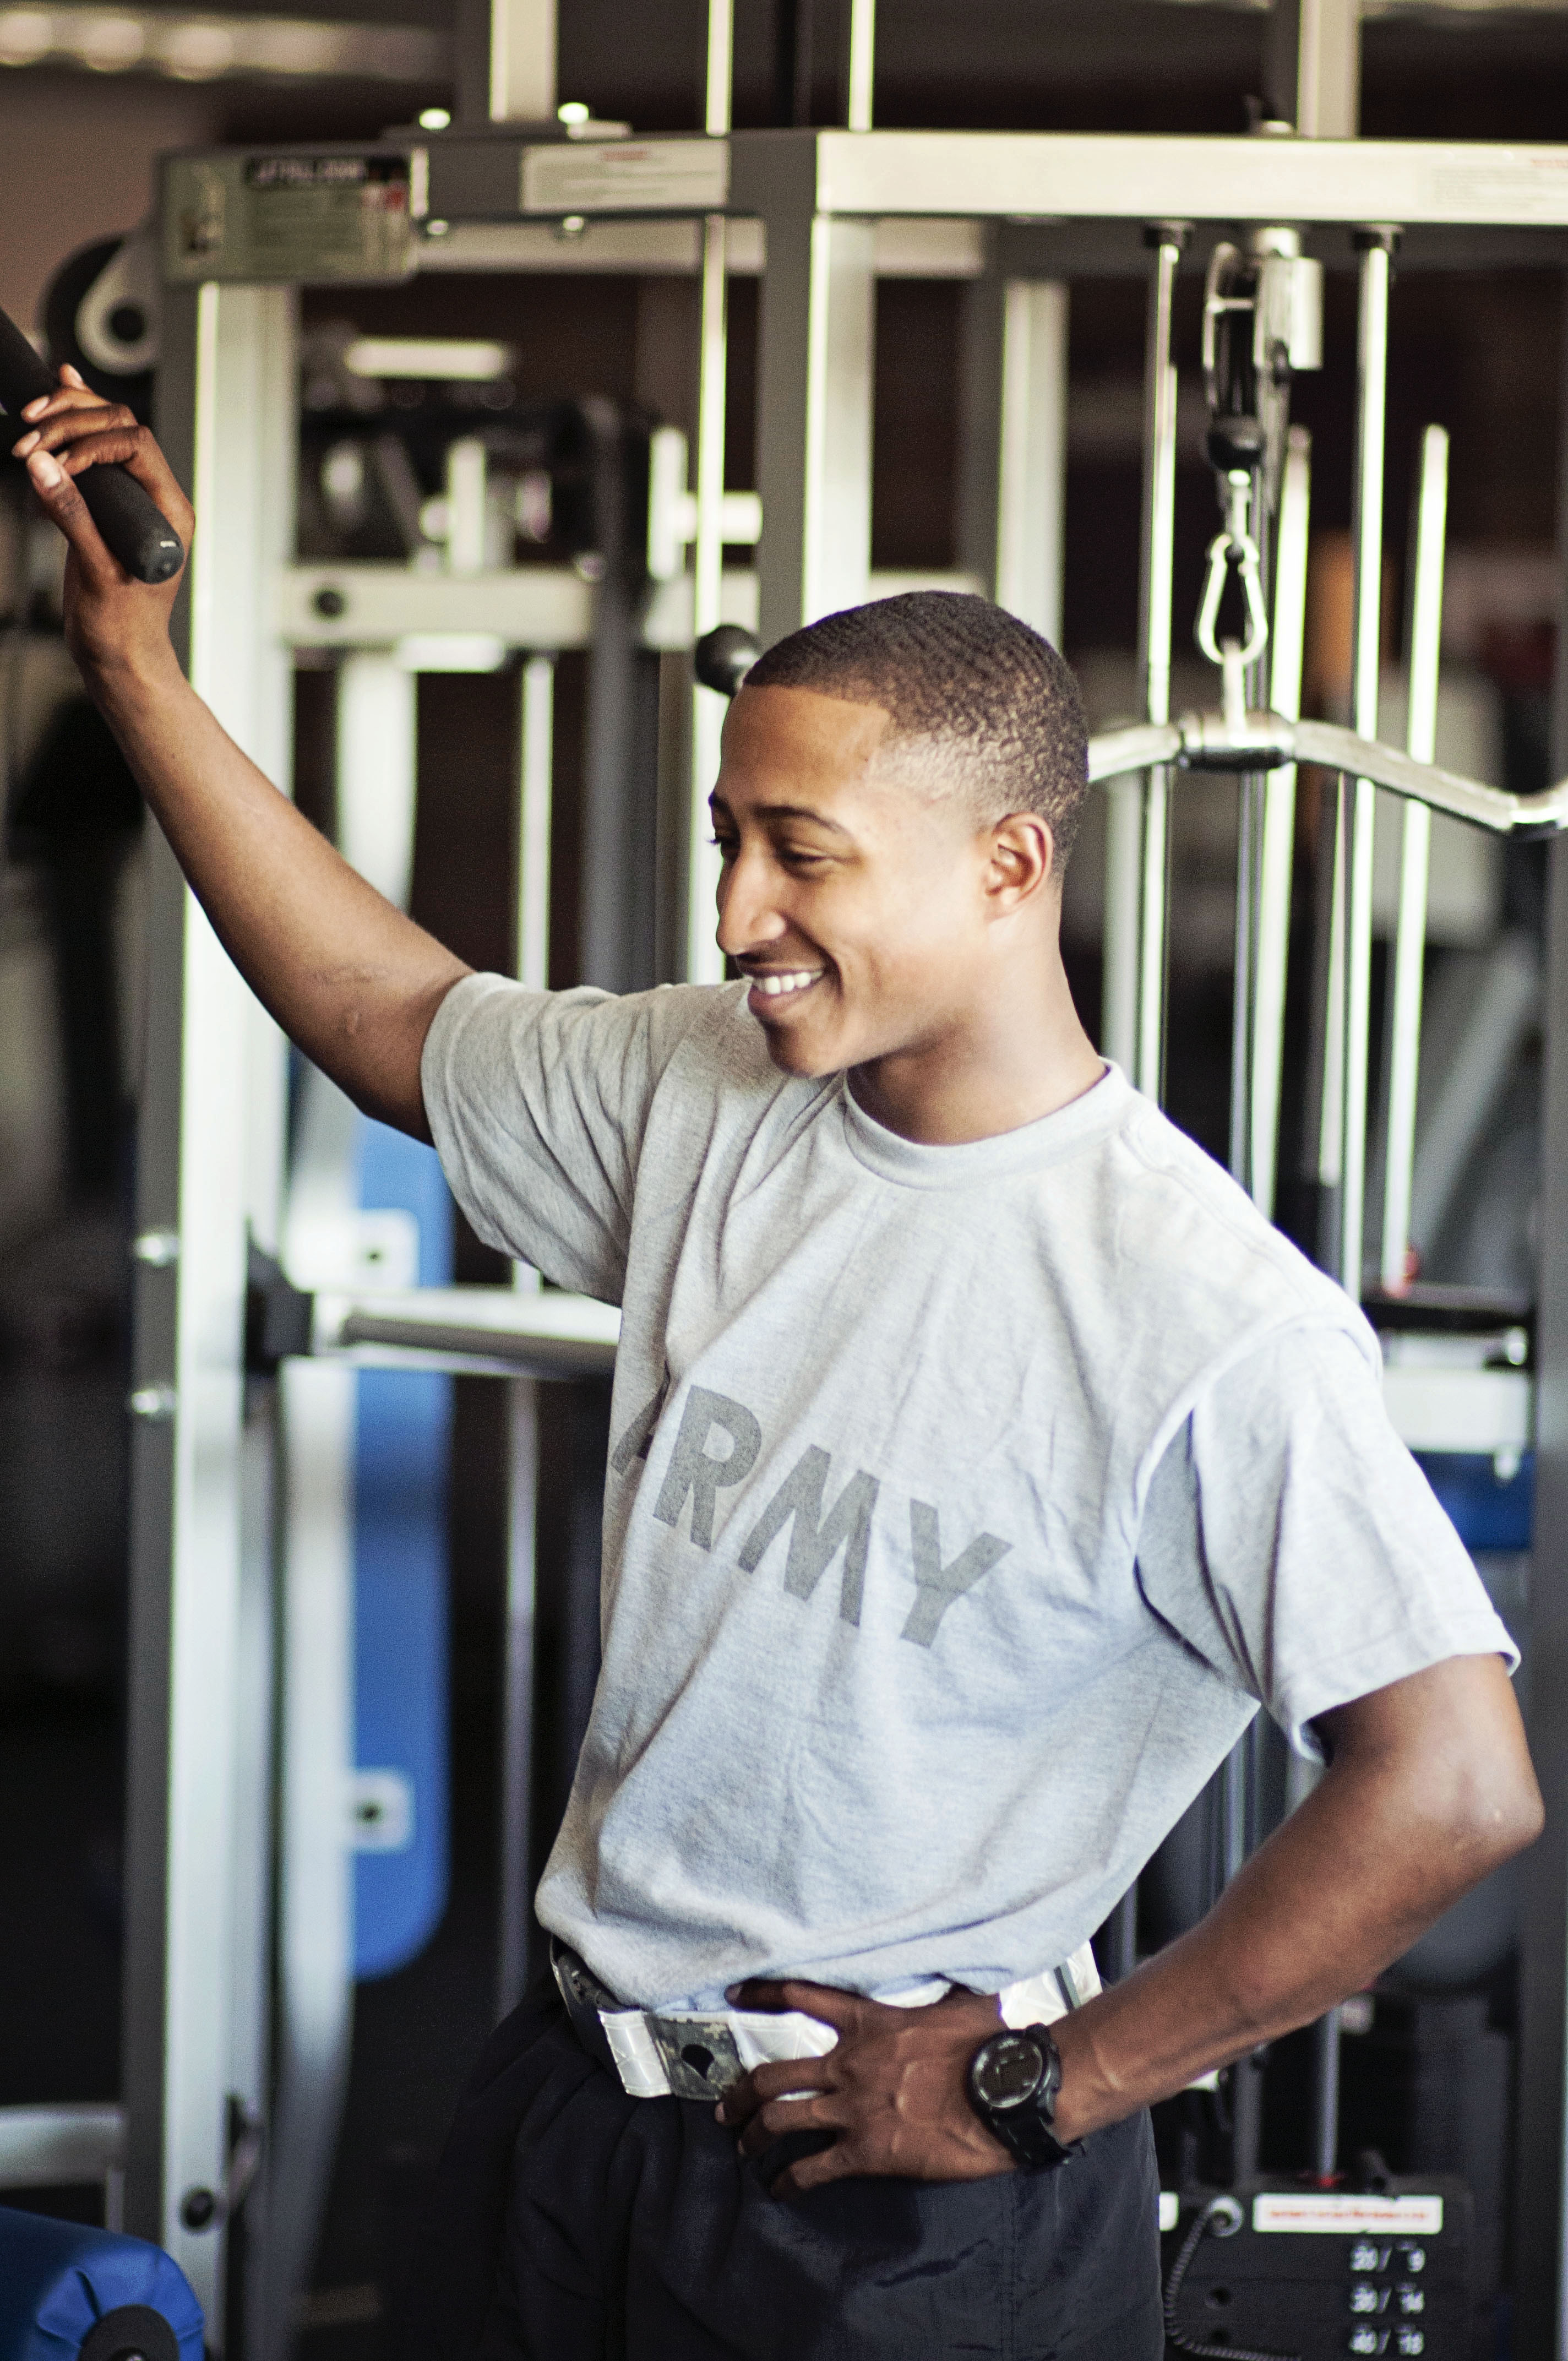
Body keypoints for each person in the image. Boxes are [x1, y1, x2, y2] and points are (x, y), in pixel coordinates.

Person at [18, 377, 1542, 2361]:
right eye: (733, 838)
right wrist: (135, 671)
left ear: (1009, 867)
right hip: (570, 2114)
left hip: (894, 2203)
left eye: (799, 854)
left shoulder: (1200, 1315)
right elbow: (393, 1012)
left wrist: (1044, 2086)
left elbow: (1454, 1784)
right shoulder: (706, 1092)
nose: (736, 913)